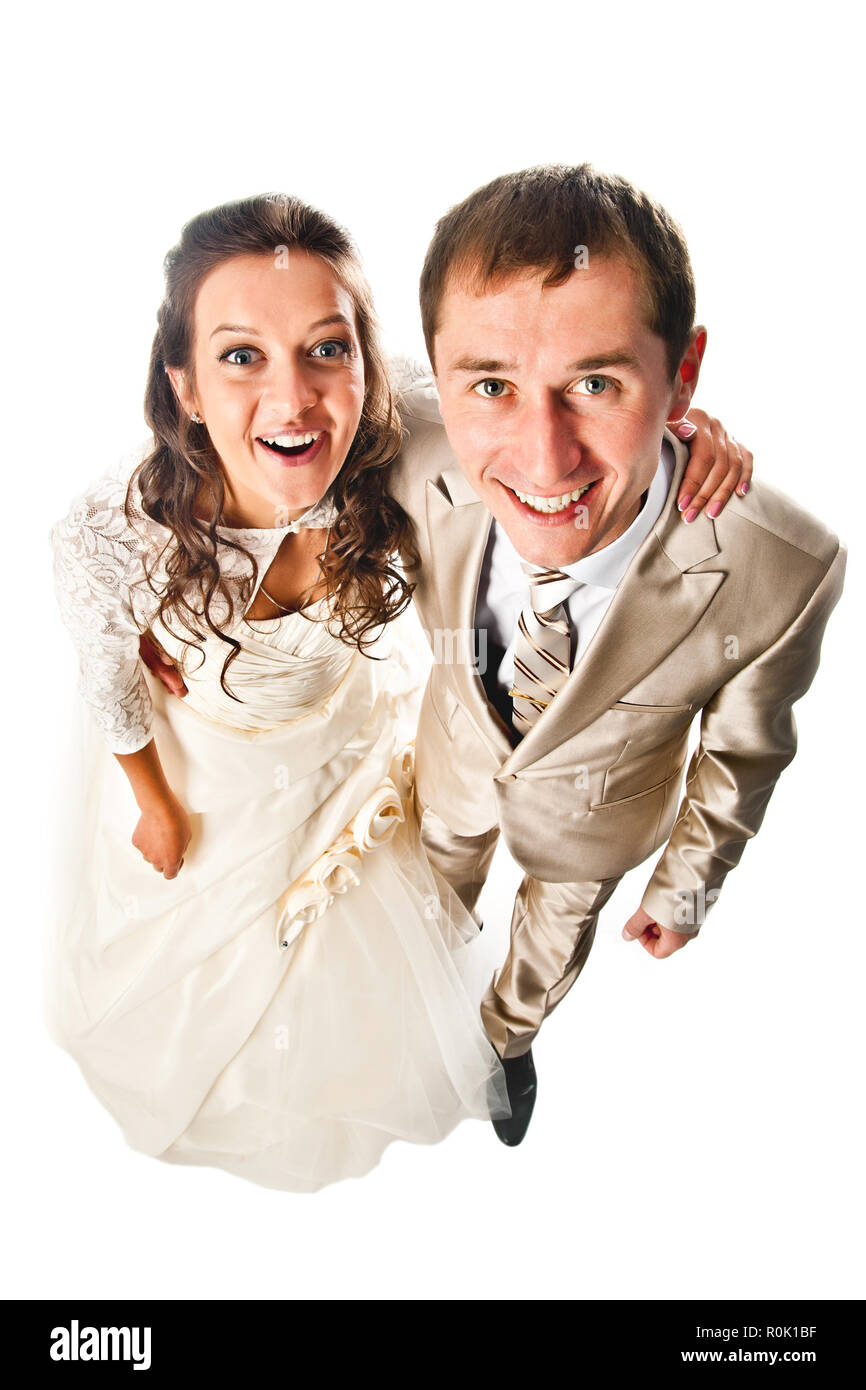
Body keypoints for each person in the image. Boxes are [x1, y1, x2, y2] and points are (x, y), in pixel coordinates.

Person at [47, 194, 517, 1194]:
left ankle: (476, 1038)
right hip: (212, 759)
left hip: (344, 733)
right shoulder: (109, 531)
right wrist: (158, 807)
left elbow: (551, 396)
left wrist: (689, 435)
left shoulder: (408, 419)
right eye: (240, 355)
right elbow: (107, 678)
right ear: (182, 386)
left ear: (365, 361)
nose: (293, 399)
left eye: (323, 350)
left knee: (383, 944)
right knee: (217, 964)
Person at [380, 163, 845, 1146]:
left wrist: (685, 884)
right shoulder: (407, 437)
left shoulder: (779, 566)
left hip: (593, 827)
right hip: (452, 768)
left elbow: (745, 751)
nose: (544, 459)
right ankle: (411, 1013)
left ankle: (504, 1040)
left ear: (683, 375)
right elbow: (275, 402)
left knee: (545, 945)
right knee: (420, 902)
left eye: (594, 382)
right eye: (493, 385)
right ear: (437, 368)